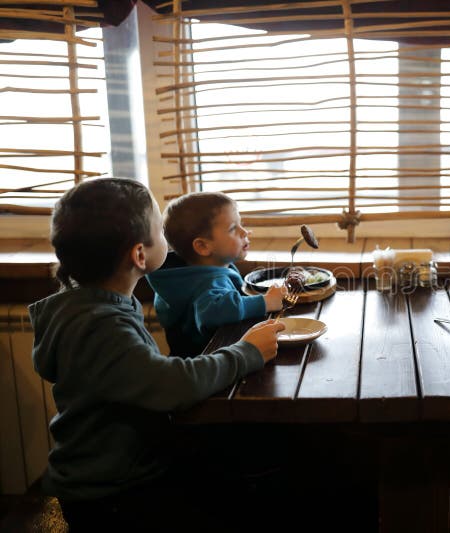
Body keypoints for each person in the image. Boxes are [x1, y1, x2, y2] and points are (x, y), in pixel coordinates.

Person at [29, 178, 285, 531]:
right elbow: (171, 386)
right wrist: (246, 352)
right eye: (160, 232)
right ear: (139, 254)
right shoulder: (100, 326)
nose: (167, 240)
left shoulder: (88, 305)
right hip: (113, 493)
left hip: (115, 475)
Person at [146, 191, 284, 357]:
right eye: (233, 228)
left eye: (241, 224)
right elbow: (215, 312)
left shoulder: (189, 274)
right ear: (203, 247)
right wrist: (266, 302)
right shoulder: (207, 282)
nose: (245, 232)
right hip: (208, 371)